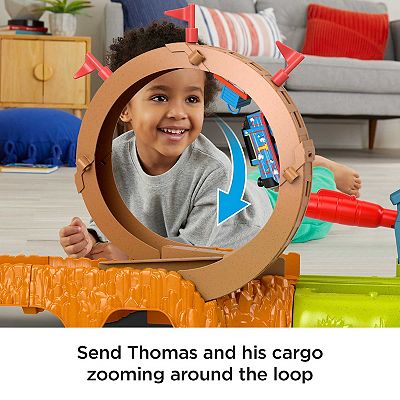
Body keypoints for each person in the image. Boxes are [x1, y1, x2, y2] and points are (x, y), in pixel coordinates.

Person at [59, 22, 362, 259]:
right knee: (250, 180)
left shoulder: (214, 171)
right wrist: (91, 237)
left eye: (192, 99)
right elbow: (114, 215)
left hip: (260, 214)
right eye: (160, 97)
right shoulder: (113, 157)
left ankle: (320, 169)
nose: (178, 112)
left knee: (310, 204)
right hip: (226, 190)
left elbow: (193, 253)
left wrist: (129, 255)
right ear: (124, 107)